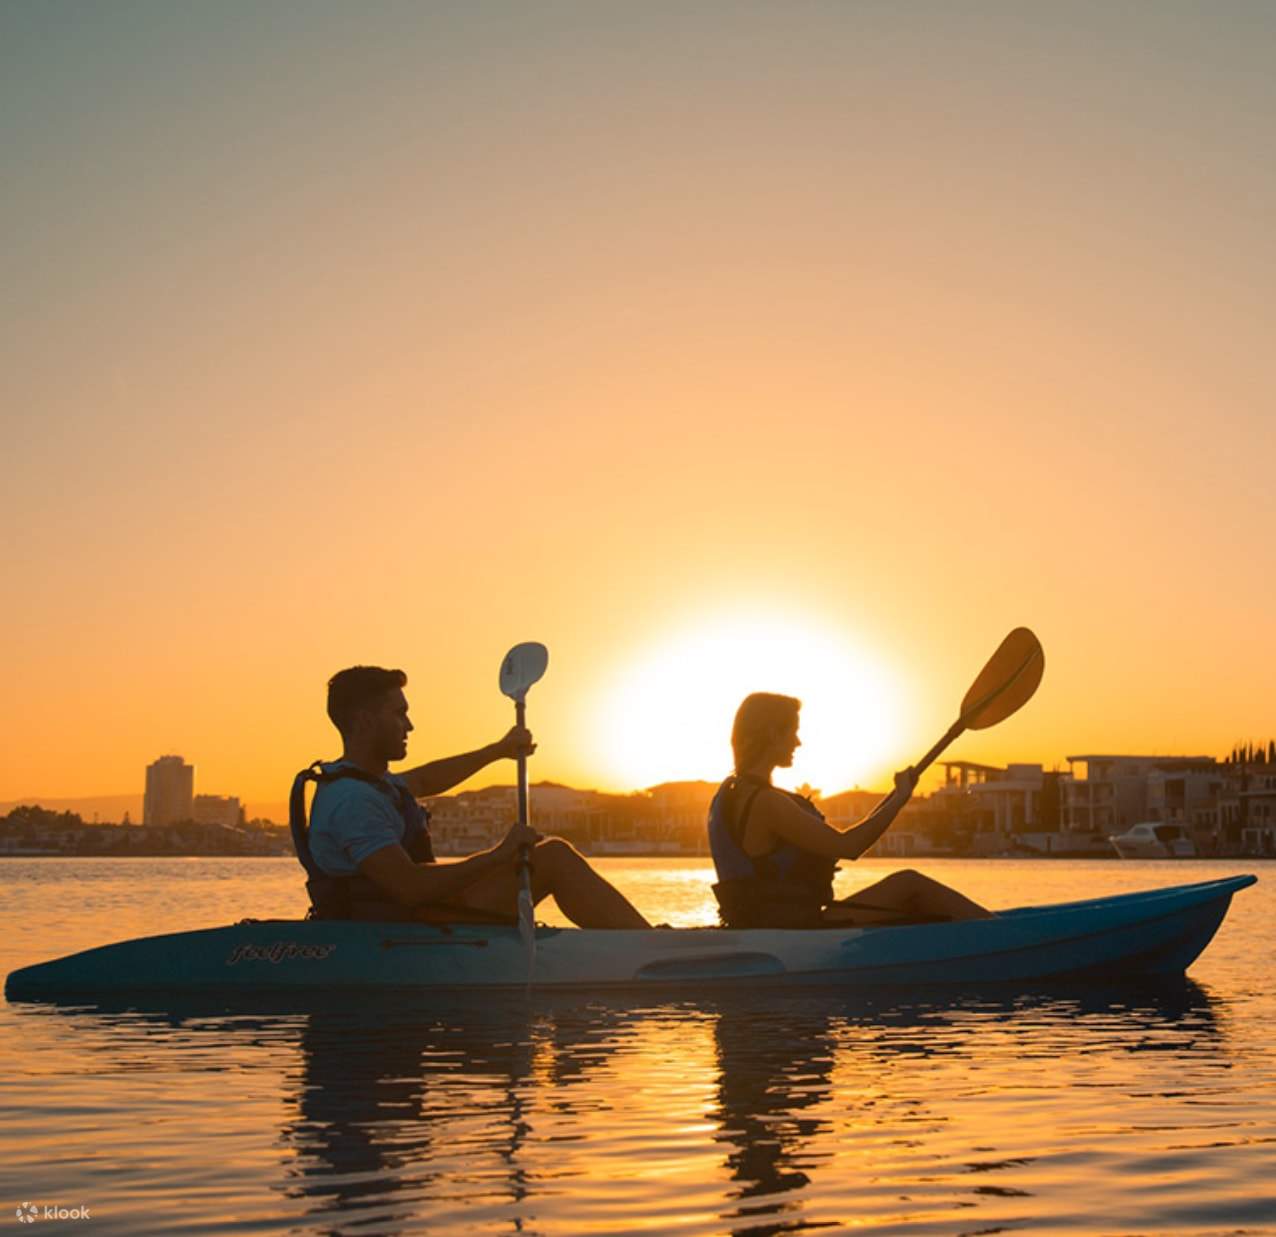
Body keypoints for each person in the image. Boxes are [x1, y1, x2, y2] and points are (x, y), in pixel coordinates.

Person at [291, 665, 649, 928]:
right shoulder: (353, 800)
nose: (410, 726)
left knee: (550, 854)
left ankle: (638, 940)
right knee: (553, 858)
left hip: (426, 909)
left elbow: (428, 778)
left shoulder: (373, 782)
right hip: (414, 918)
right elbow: (410, 888)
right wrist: (499, 856)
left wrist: (499, 750)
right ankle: (645, 946)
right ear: (366, 721)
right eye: (400, 714)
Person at [708, 692, 992, 928]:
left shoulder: (731, 794)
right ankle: (1000, 935)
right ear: (772, 734)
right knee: (908, 885)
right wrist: (900, 798)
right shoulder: (767, 803)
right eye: (792, 732)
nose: (798, 742)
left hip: (766, 926)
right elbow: (849, 845)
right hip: (795, 932)